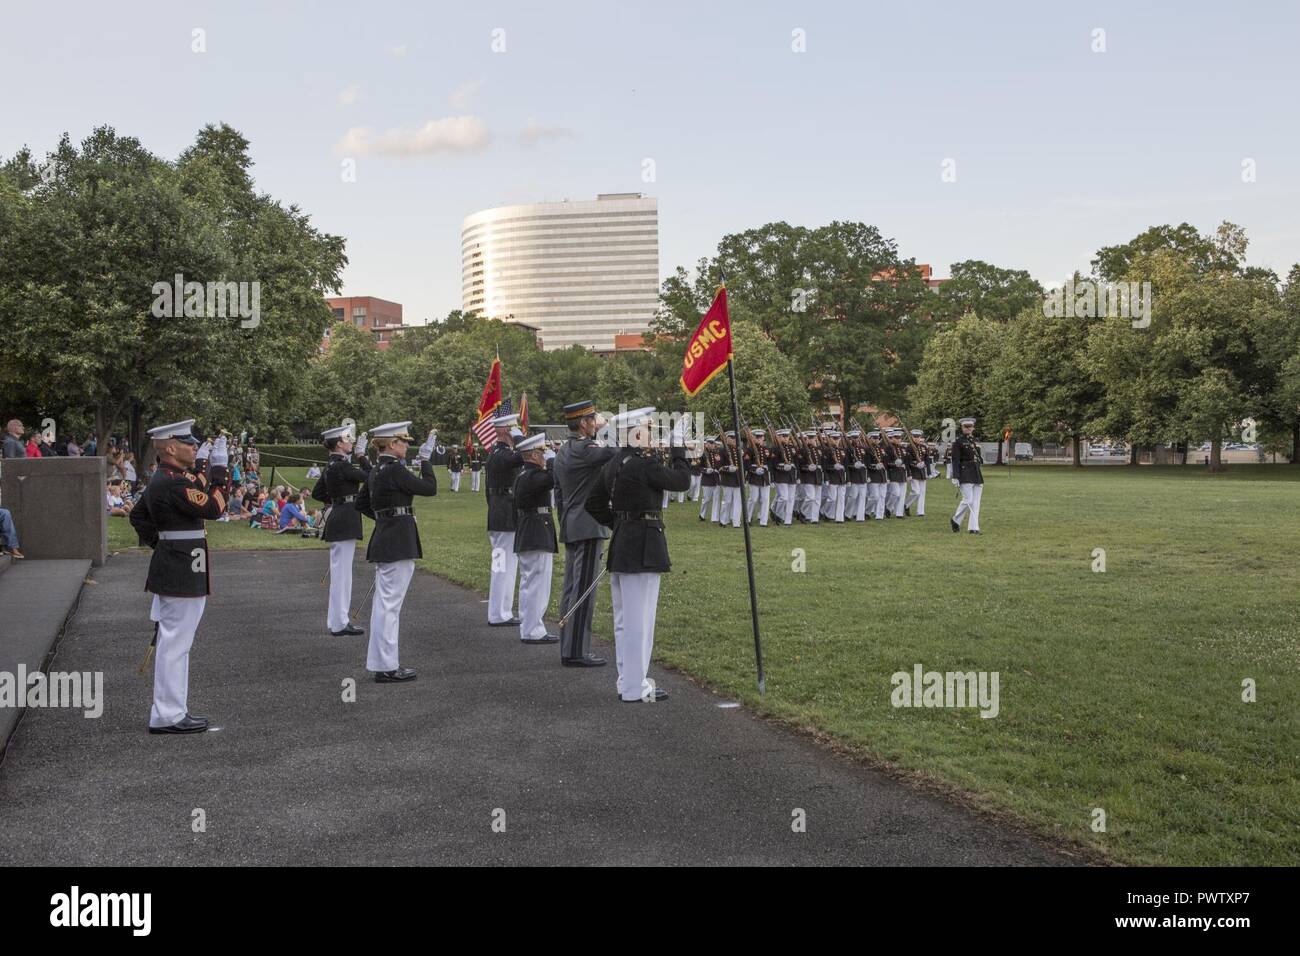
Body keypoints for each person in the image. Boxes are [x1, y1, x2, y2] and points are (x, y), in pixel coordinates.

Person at [583, 407, 692, 703]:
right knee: (639, 622)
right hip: (642, 545)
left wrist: (620, 523)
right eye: (648, 428)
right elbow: (682, 481)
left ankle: (628, 681)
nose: (652, 433)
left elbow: (593, 504)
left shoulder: (615, 463)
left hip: (624, 545)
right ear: (636, 432)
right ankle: (634, 687)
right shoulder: (642, 464)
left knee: (625, 620)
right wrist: (678, 447)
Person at [129, 419, 226, 735]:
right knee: (175, 643)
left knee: (176, 641)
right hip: (181, 569)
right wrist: (220, 475)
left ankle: (172, 711)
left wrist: (161, 544)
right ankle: (168, 714)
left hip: (179, 564)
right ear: (170, 447)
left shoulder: (168, 479)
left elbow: (137, 515)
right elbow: (212, 508)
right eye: (188, 443)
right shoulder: (171, 483)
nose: (194, 446)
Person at [354, 421, 438, 682]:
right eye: (404, 441)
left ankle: (383, 663)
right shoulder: (394, 470)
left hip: (386, 538)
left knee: (385, 605)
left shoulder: (377, 470)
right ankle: (387, 666)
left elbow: (362, 503)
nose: (407, 446)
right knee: (389, 606)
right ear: (392, 444)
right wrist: (425, 459)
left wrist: (384, 518)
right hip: (397, 541)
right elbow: (429, 488)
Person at [552, 399, 617, 666]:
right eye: (592, 420)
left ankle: (569, 647)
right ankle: (576, 651)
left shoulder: (565, 450)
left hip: (573, 523)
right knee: (582, 591)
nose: (595, 423)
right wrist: (609, 425)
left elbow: (558, 494)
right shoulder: (584, 448)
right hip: (588, 525)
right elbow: (613, 451)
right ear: (583, 424)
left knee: (572, 587)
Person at [312, 424, 371, 636]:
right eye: (349, 440)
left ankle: (336, 620)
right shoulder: (341, 465)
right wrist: (362, 456)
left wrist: (337, 499)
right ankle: (339, 622)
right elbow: (372, 477)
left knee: (341, 574)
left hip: (340, 516)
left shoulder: (331, 465)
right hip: (345, 520)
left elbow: (318, 493)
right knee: (342, 576)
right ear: (339, 443)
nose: (351, 443)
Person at [512, 432, 560, 645]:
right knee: (537, 584)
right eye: (541, 451)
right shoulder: (532, 476)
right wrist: (552, 460)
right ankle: (533, 629)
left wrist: (548, 458)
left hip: (531, 531)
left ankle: (529, 625)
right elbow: (553, 477)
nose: (544, 454)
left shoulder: (525, 475)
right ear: (532, 454)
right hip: (536, 532)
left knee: (530, 582)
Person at [484, 413, 524, 627]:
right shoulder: (501, 454)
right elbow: (525, 454)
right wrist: (518, 437)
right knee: (503, 567)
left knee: (503, 566)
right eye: (512, 428)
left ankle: (500, 611)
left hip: (501, 514)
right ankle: (500, 613)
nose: (515, 431)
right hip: (505, 517)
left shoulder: (498, 453)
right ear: (503, 431)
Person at [951, 417, 984, 534]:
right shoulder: (958, 441)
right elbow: (955, 460)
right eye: (966, 426)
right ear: (962, 427)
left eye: (970, 426)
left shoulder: (975, 440)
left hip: (976, 472)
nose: (968, 428)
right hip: (964, 472)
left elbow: (978, 458)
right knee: (968, 500)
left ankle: (973, 528)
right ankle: (955, 519)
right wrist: (955, 476)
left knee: (976, 503)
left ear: (973, 428)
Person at [770, 429, 798, 525]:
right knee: (784, 497)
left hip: (791, 475)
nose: (786, 438)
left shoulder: (791, 448)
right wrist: (782, 468)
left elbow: (796, 462)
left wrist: (796, 475)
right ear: (779, 437)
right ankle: (777, 514)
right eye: (784, 436)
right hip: (780, 475)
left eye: (787, 436)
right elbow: (773, 464)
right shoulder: (775, 449)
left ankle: (787, 519)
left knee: (791, 498)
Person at [904, 429, 929, 517]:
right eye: (915, 437)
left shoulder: (923, 447)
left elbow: (926, 458)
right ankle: (906, 505)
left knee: (922, 493)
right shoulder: (909, 448)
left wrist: (925, 465)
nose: (917, 438)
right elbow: (907, 461)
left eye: (918, 437)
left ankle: (920, 511)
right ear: (912, 437)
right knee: (916, 492)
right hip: (913, 472)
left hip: (922, 472)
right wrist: (915, 465)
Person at [697, 439, 721, 522]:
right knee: (706, 499)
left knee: (716, 499)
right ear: (706, 444)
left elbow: (720, 465)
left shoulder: (716, 453)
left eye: (713, 443)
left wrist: (718, 466)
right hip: (707, 479)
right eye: (710, 443)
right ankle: (702, 514)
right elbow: (699, 467)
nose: (711, 445)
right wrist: (705, 470)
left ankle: (715, 517)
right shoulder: (702, 454)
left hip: (716, 478)